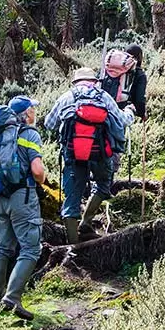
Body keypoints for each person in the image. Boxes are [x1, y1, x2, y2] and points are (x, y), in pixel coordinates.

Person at [44, 67, 130, 243]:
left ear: (75, 82)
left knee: (72, 199)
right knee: (103, 185)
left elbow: (49, 124)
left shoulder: (66, 97)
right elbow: (122, 121)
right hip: (100, 154)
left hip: (73, 155)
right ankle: (86, 222)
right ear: (94, 81)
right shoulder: (104, 96)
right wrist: (131, 112)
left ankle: (73, 247)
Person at [0, 95, 48, 321]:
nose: (35, 112)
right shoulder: (29, 134)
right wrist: (42, 178)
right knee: (31, 249)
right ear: (26, 113)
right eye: (32, 108)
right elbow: (37, 171)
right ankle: (12, 298)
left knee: (2, 247)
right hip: (22, 197)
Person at [101, 44, 149, 179]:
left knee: (98, 145)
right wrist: (142, 113)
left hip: (99, 111)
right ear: (140, 57)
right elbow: (139, 99)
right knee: (114, 147)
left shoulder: (110, 68)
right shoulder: (138, 74)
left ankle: (93, 184)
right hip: (120, 113)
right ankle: (106, 186)